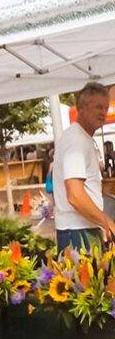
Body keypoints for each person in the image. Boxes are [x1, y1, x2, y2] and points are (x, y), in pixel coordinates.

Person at [54, 82, 115, 250]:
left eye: (105, 108)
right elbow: (75, 195)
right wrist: (107, 222)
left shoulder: (81, 138)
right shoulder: (76, 141)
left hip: (81, 229)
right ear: (82, 107)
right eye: (98, 107)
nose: (103, 112)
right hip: (77, 232)